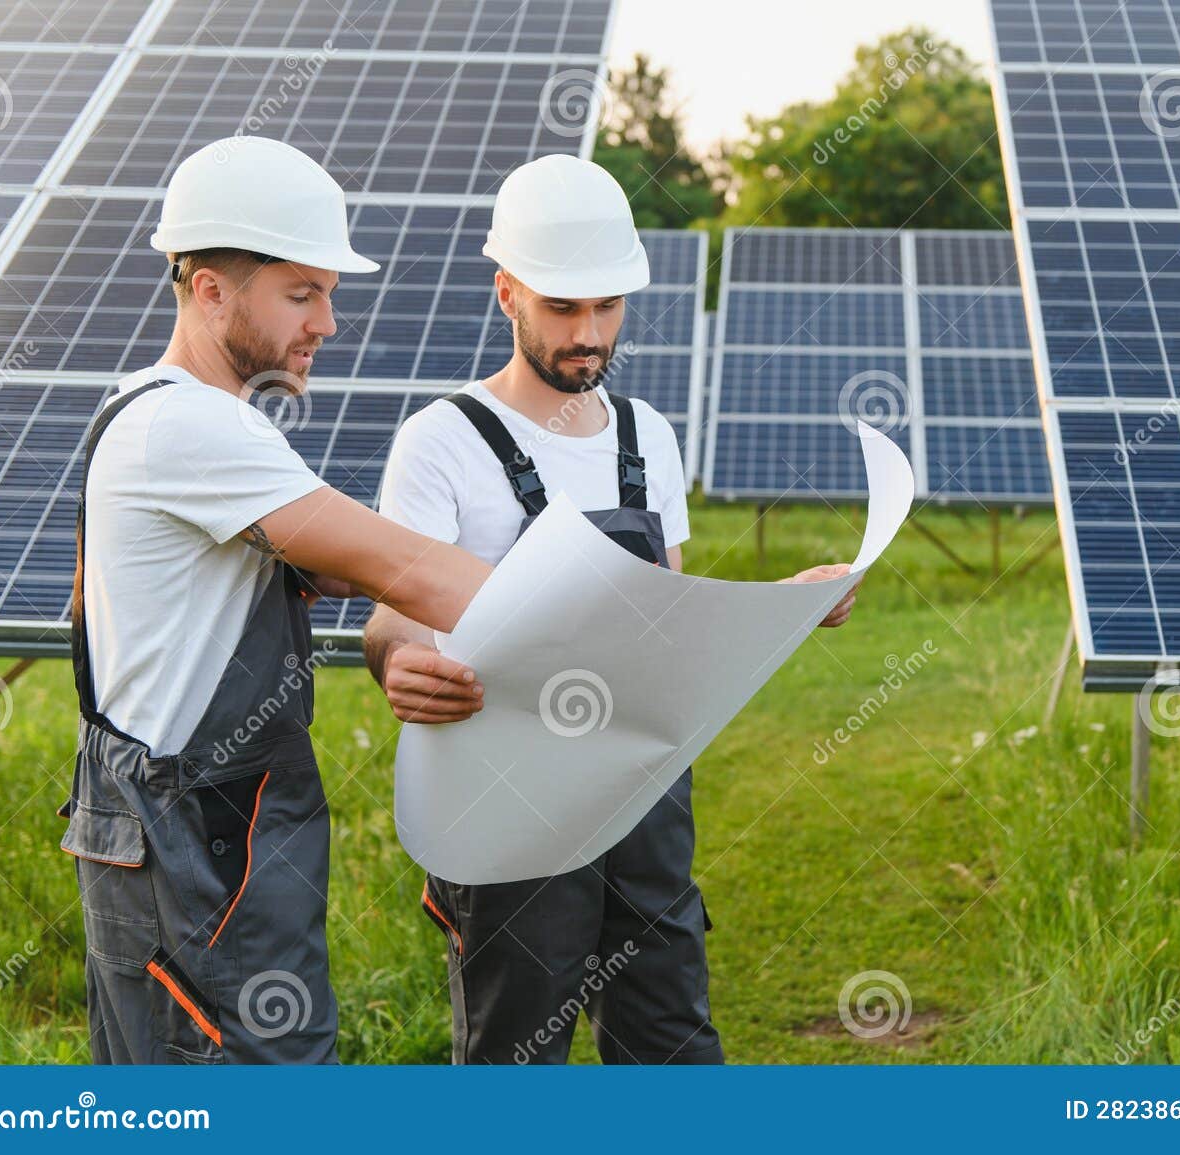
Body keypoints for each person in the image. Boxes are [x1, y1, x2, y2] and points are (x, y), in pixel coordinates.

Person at [363, 154, 859, 1065]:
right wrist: (395, 660)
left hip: (642, 786)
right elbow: (395, 615)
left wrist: (783, 609)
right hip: (508, 798)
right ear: (506, 290)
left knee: (671, 1040)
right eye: (562, 307)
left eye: (607, 306)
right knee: (520, 1051)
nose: (589, 334)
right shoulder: (441, 441)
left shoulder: (648, 436)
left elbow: (665, 619)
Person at [61, 135, 493, 1064]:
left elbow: (332, 562)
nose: (328, 322)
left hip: (165, 828)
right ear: (211, 289)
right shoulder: (194, 426)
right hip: (204, 846)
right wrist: (639, 617)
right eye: (304, 292)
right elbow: (404, 571)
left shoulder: (148, 407)